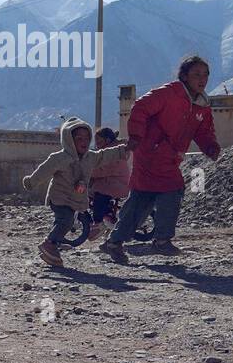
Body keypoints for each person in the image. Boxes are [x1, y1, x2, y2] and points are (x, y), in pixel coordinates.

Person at [99, 55, 221, 264]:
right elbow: (140, 107)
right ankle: (162, 240)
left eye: (205, 75)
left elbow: (203, 130)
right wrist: (136, 136)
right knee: (172, 189)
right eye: (197, 75)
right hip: (151, 153)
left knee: (141, 200)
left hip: (168, 156)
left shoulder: (201, 104)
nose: (202, 79)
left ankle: (114, 242)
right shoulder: (169, 93)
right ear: (184, 76)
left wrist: (210, 146)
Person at [22, 117, 130, 267]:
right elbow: (43, 171)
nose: (83, 141)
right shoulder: (60, 158)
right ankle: (49, 244)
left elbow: (104, 156)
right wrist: (31, 182)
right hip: (59, 198)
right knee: (65, 221)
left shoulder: (90, 157)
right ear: (68, 139)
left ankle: (52, 249)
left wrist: (123, 150)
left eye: (86, 138)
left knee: (64, 222)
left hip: (74, 199)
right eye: (78, 138)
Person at [86, 127, 129, 242]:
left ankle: (99, 223)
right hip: (110, 181)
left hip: (117, 183)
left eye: (99, 142)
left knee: (99, 196)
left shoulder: (113, 152)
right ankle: (106, 216)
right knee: (95, 192)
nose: (98, 145)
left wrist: (89, 173)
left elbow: (103, 169)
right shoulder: (108, 151)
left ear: (108, 140)